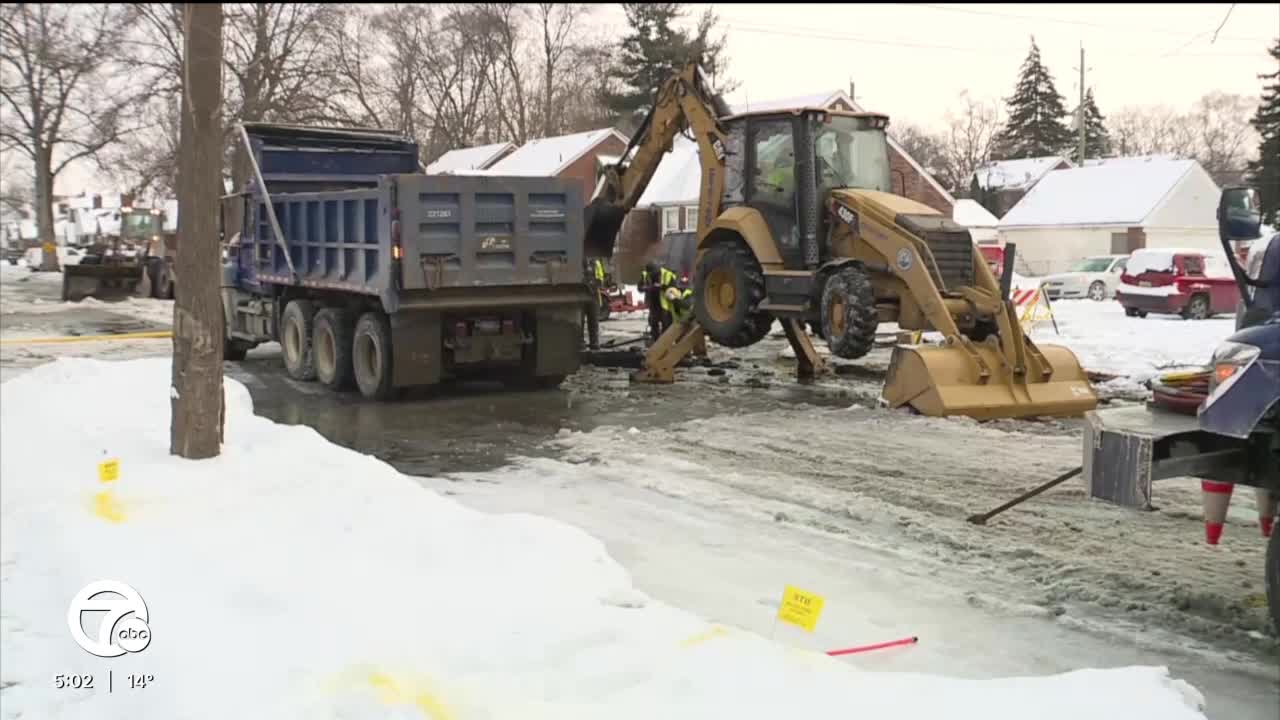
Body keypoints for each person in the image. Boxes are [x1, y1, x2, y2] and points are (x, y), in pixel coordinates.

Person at [640, 261, 677, 342]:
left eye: (654, 273)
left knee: (666, 324)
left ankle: (665, 343)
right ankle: (656, 342)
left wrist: (661, 287)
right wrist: (647, 288)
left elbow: (674, 289)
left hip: (665, 305)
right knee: (653, 324)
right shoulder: (645, 274)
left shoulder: (668, 274)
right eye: (651, 274)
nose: (653, 275)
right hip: (653, 304)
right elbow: (640, 288)